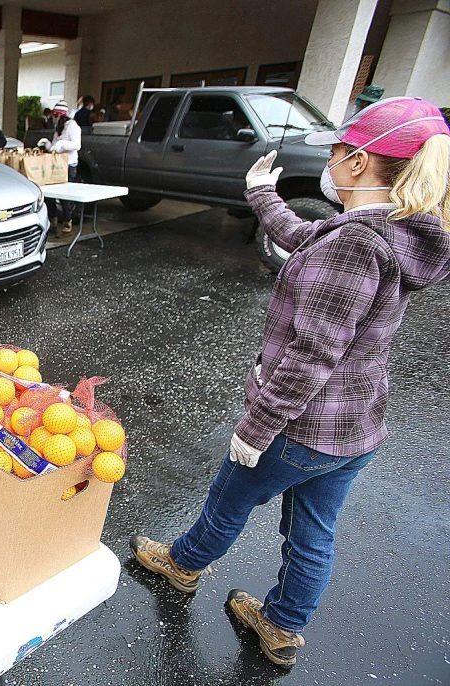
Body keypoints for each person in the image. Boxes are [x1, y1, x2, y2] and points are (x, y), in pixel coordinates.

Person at [131, 97, 450, 669]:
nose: (328, 160)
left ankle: (180, 567)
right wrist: (262, 195)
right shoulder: (390, 232)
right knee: (313, 534)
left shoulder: (356, 244)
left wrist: (256, 429)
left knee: (228, 502)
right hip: (357, 429)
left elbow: (312, 352)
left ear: (358, 163)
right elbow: (307, 236)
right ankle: (280, 628)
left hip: (299, 429)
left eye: (335, 150)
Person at [38, 101, 82, 235]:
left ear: (62, 115)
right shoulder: (58, 126)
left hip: (69, 164)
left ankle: (68, 221)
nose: (54, 117)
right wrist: (47, 144)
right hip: (56, 164)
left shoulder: (72, 126)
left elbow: (76, 145)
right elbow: (54, 147)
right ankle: (53, 220)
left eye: (56, 115)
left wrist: (63, 144)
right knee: (50, 193)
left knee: (64, 195)